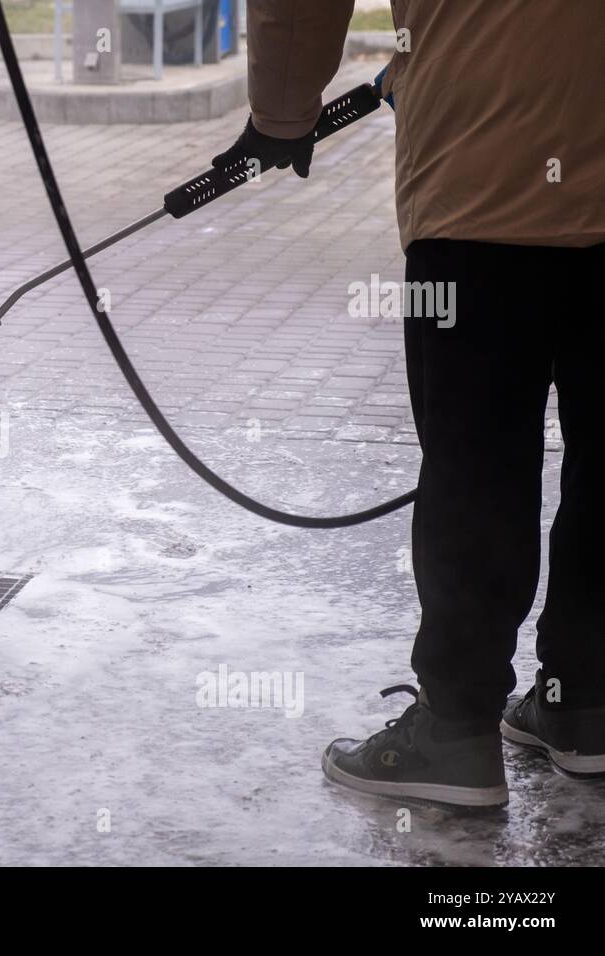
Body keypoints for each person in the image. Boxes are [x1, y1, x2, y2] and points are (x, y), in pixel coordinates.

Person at [211, 0, 605, 808]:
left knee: (477, 461)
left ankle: (456, 731)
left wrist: (283, 111)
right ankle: (588, 704)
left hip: (482, 179)